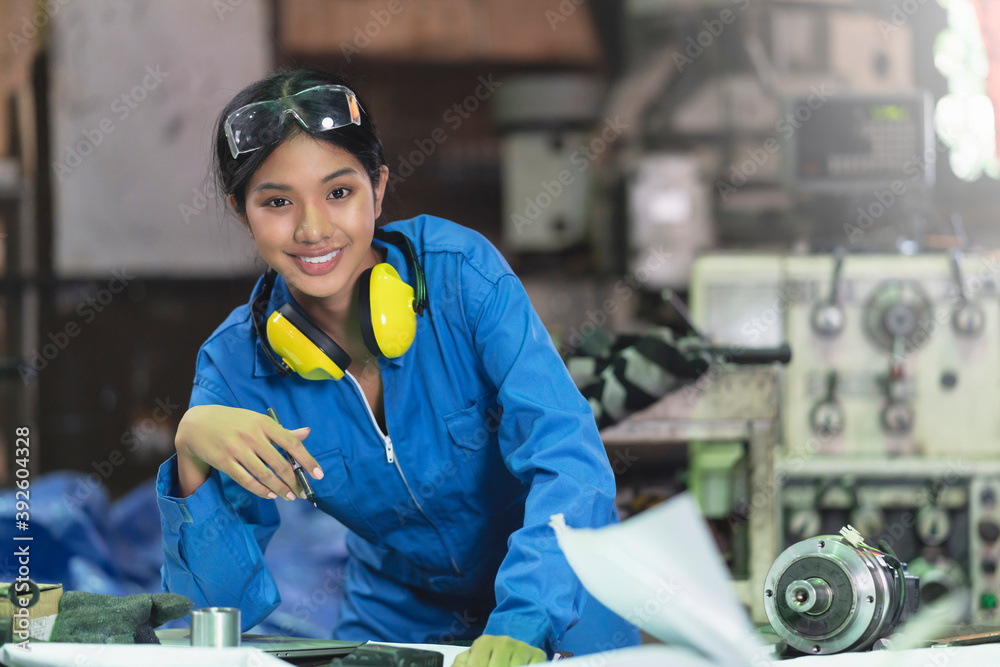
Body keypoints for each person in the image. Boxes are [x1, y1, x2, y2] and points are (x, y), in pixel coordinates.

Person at [156, 68, 640, 666]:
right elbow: (214, 614)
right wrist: (192, 458)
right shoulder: (234, 366)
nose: (313, 229)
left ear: (378, 191)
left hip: (562, 592)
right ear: (241, 211)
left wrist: (526, 618)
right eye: (277, 202)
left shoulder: (462, 275)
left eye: (339, 193)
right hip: (397, 613)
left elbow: (569, 457)